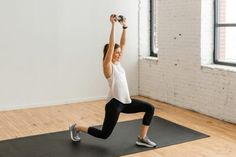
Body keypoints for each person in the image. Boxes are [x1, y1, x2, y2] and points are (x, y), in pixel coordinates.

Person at [69, 14, 157, 148]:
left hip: (126, 102)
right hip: (114, 104)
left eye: (120, 52)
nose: (119, 54)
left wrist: (125, 27)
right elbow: (111, 47)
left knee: (150, 108)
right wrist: (113, 25)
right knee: (104, 134)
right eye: (116, 52)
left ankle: (142, 138)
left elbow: (123, 43)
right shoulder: (107, 66)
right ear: (109, 54)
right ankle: (76, 127)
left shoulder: (118, 63)